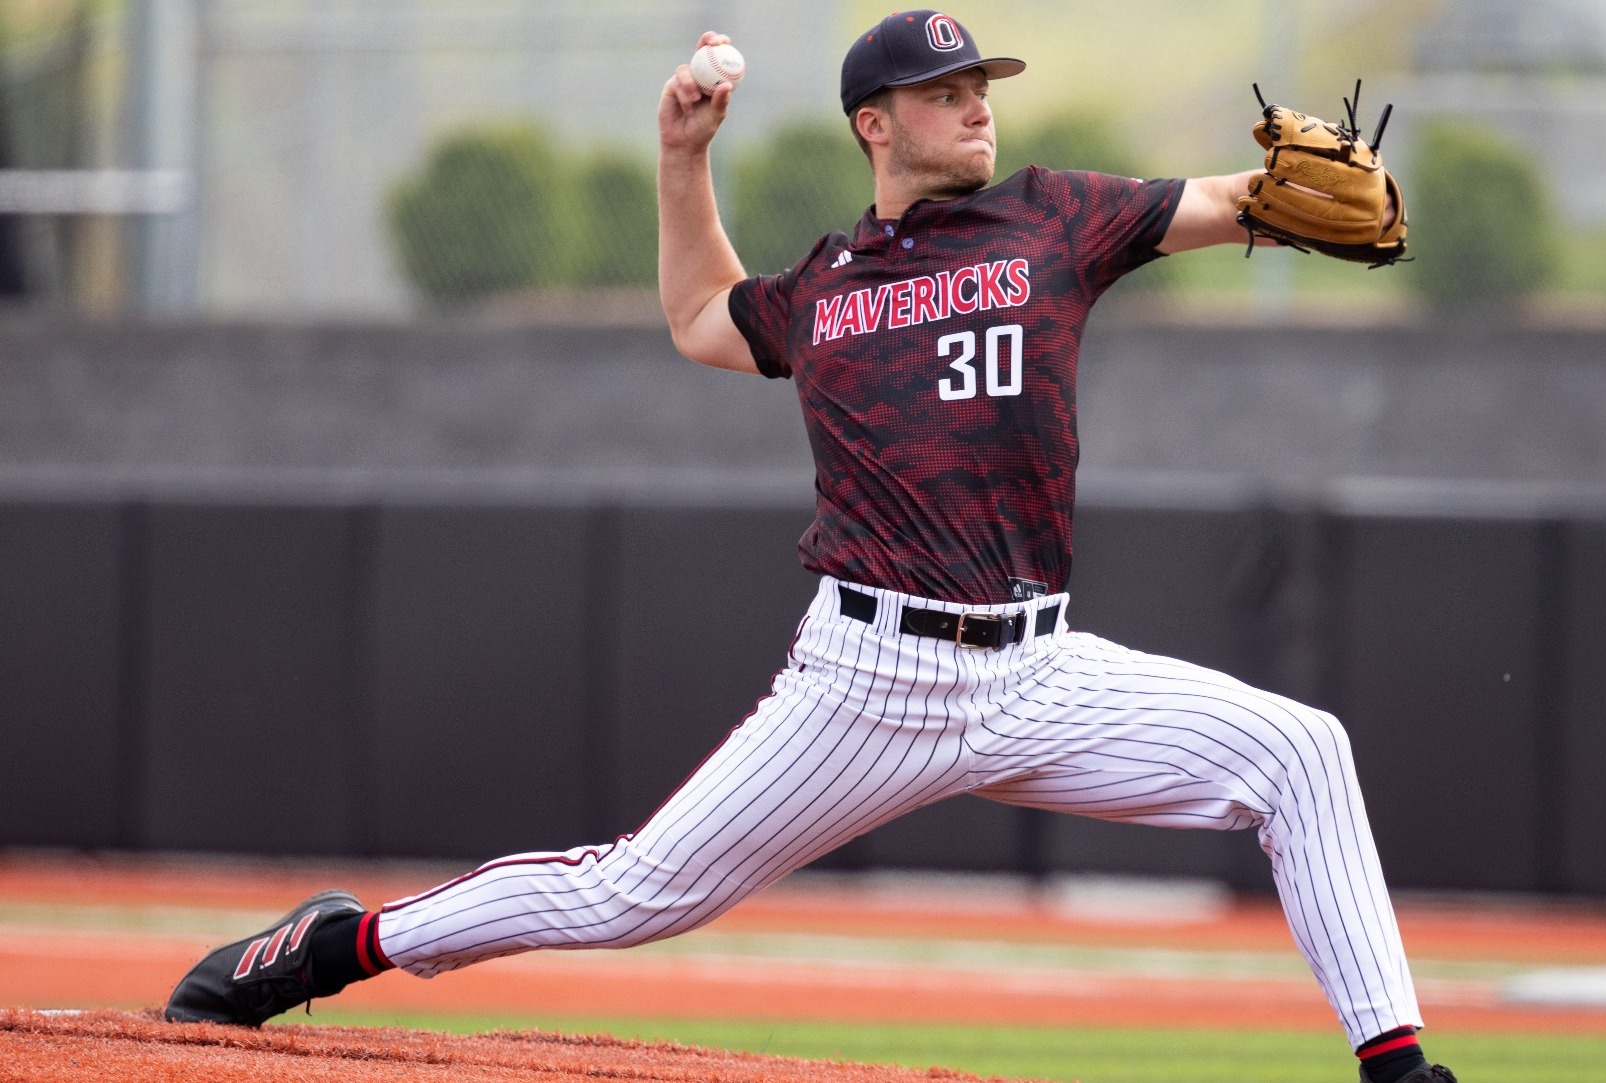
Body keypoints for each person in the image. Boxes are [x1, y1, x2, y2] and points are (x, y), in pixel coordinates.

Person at [165, 12, 1450, 1083]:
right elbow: (696, 317)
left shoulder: (1059, 218)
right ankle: (339, 947)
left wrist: (1273, 204)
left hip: (1041, 673)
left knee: (1300, 749)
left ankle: (1397, 1069)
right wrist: (682, 159)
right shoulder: (825, 285)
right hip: (866, 684)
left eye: (977, 86)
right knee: (632, 897)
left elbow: (1233, 199)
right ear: (872, 124)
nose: (972, 107)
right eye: (938, 92)